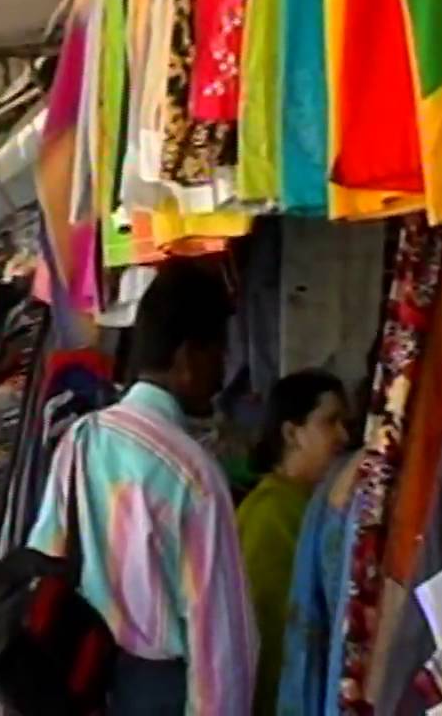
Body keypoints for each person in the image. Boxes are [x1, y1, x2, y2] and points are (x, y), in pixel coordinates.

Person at [27, 260, 258, 715]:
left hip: (79, 669)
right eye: (218, 353)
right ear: (188, 356)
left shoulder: (81, 439)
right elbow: (219, 640)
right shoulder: (192, 474)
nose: (221, 372)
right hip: (155, 688)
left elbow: (44, 557)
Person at [237, 369, 349, 716]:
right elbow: (270, 643)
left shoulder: (317, 505)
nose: (344, 436)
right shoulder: (270, 514)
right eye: (331, 422)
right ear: (291, 433)